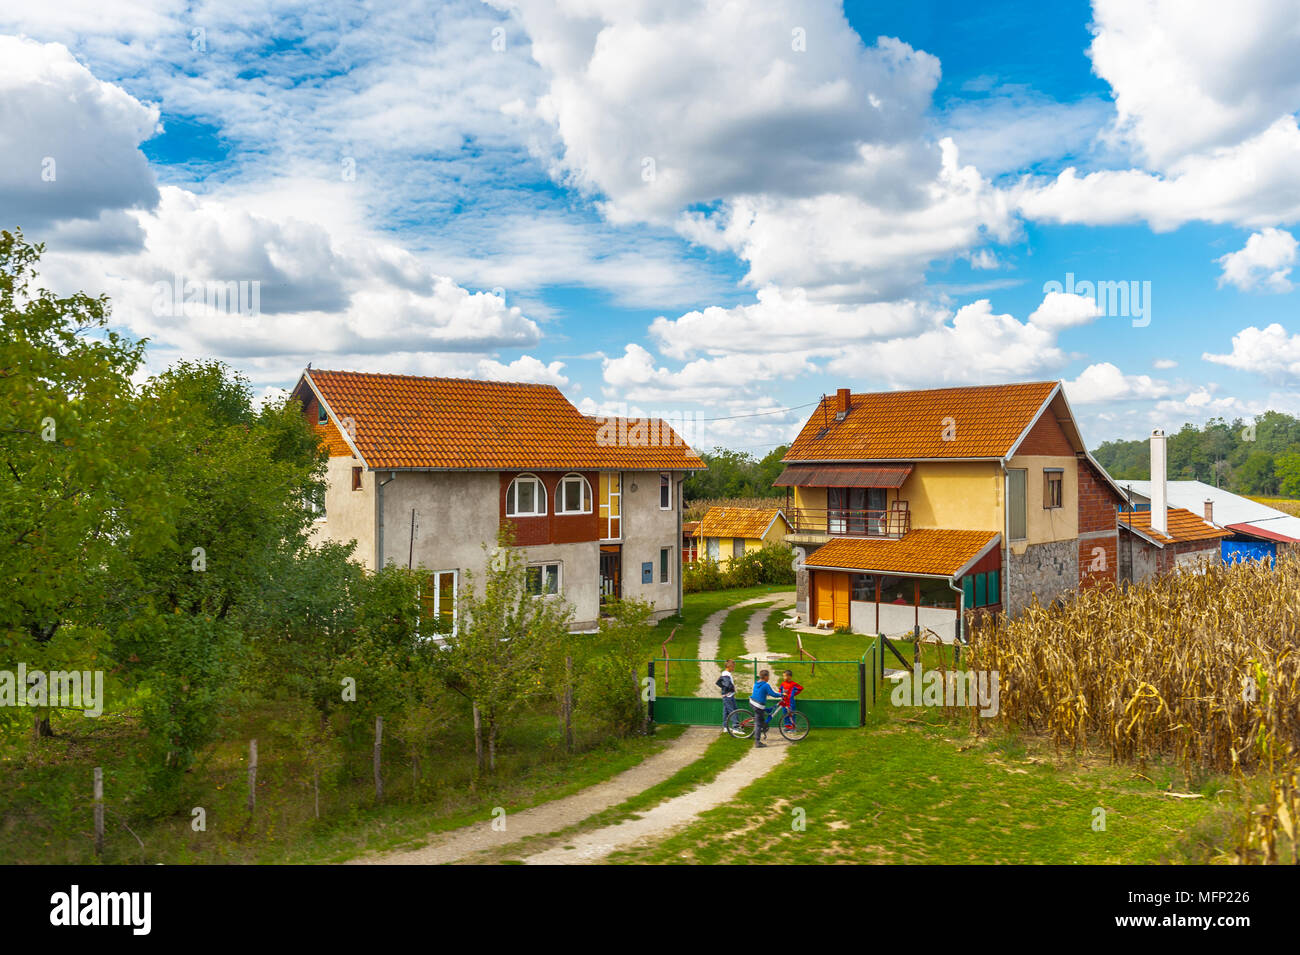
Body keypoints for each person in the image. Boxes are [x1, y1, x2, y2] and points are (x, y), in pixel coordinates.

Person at [749, 669, 783, 747]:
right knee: (758, 724)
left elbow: (759, 691)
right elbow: (773, 694)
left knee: (763, 716)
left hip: (752, 702)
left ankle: (762, 725)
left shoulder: (757, 682)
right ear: (765, 677)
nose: (769, 678)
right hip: (758, 705)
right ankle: (757, 742)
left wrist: (765, 693)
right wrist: (782, 694)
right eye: (768, 676)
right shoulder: (766, 685)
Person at [716, 660, 738, 732]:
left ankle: (725, 727)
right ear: (729, 666)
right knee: (733, 710)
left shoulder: (726, 673)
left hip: (726, 696)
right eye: (733, 667)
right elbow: (727, 684)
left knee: (726, 711)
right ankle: (735, 727)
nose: (734, 668)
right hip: (728, 696)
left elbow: (721, 683)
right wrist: (732, 688)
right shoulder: (726, 674)